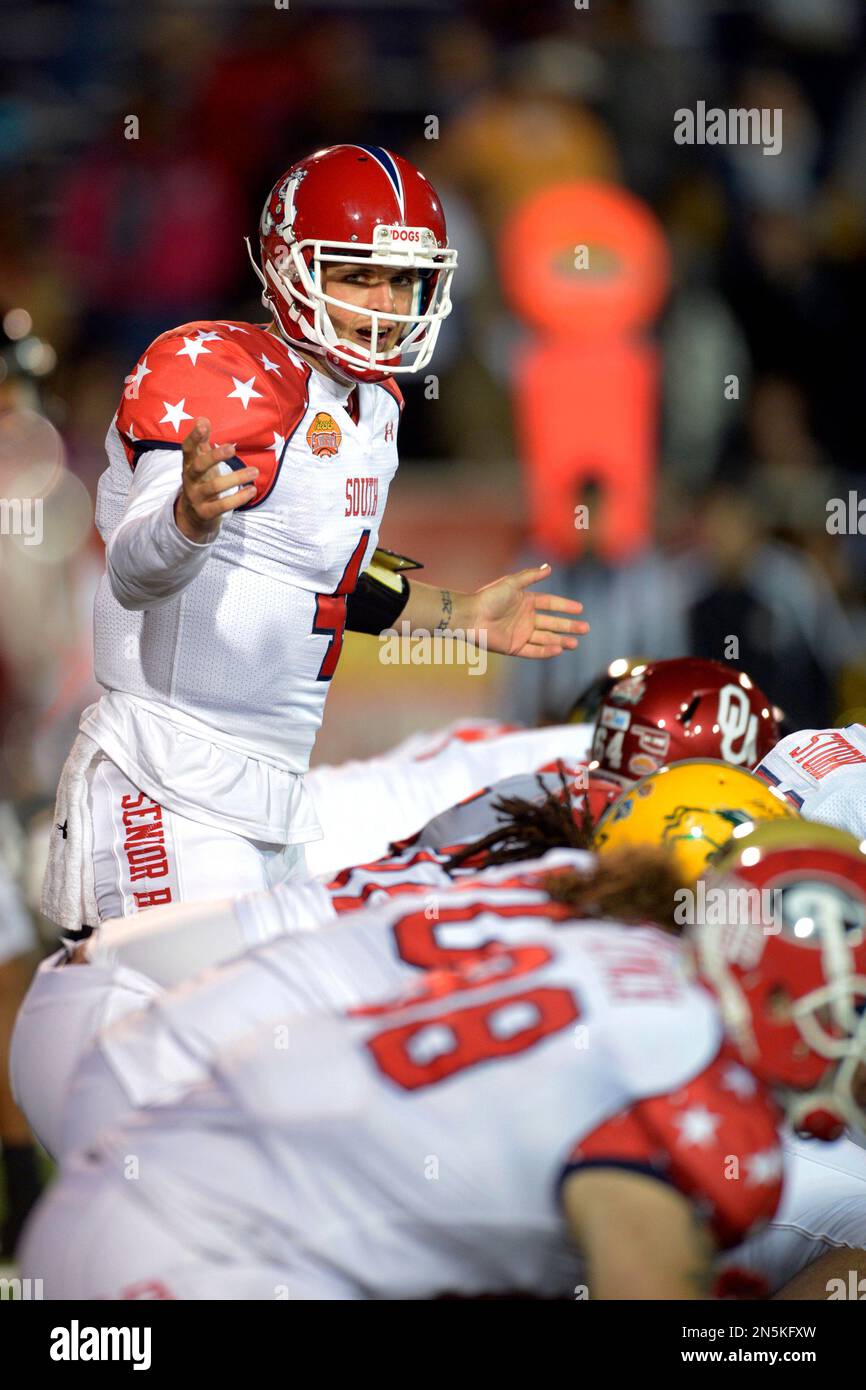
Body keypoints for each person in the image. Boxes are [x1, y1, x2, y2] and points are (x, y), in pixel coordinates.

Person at [43, 144, 588, 940]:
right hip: (166, 783)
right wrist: (187, 521)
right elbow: (135, 570)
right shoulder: (221, 370)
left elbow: (325, 580)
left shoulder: (375, 411)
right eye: (359, 274)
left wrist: (458, 614)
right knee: (168, 1043)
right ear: (289, 268)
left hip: (269, 802)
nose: (387, 302)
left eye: (404, 279)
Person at [20, 818, 866, 1300]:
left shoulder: (624, 956)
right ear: (791, 988)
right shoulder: (693, 1089)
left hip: (149, 1166)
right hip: (203, 1253)